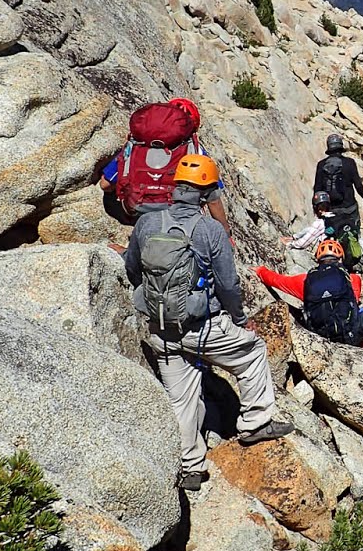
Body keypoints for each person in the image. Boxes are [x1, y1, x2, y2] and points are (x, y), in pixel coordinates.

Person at [123, 152, 292, 490]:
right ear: (207, 192)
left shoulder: (146, 223)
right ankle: (255, 422)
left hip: (161, 329)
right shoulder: (209, 230)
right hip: (202, 327)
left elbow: (132, 269)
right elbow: (228, 284)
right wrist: (241, 319)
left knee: (181, 399)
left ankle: (190, 468)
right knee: (253, 352)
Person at [101, 97, 231, 234]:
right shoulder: (195, 149)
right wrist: (226, 232)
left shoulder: (138, 145)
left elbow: (105, 184)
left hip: (137, 211)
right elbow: (213, 197)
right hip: (178, 215)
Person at [312, 133, 363, 264]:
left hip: (331, 209)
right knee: (353, 234)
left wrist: (318, 209)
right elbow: (358, 184)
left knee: (331, 235)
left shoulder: (321, 165)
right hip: (350, 209)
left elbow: (317, 188)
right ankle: (356, 261)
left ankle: (331, 260)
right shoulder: (349, 163)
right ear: (340, 146)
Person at [283, 189, 363, 270]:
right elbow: (310, 229)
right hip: (344, 256)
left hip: (329, 258)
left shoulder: (321, 222)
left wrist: (290, 244)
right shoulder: (338, 217)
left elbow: (303, 243)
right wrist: (294, 236)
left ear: (315, 208)